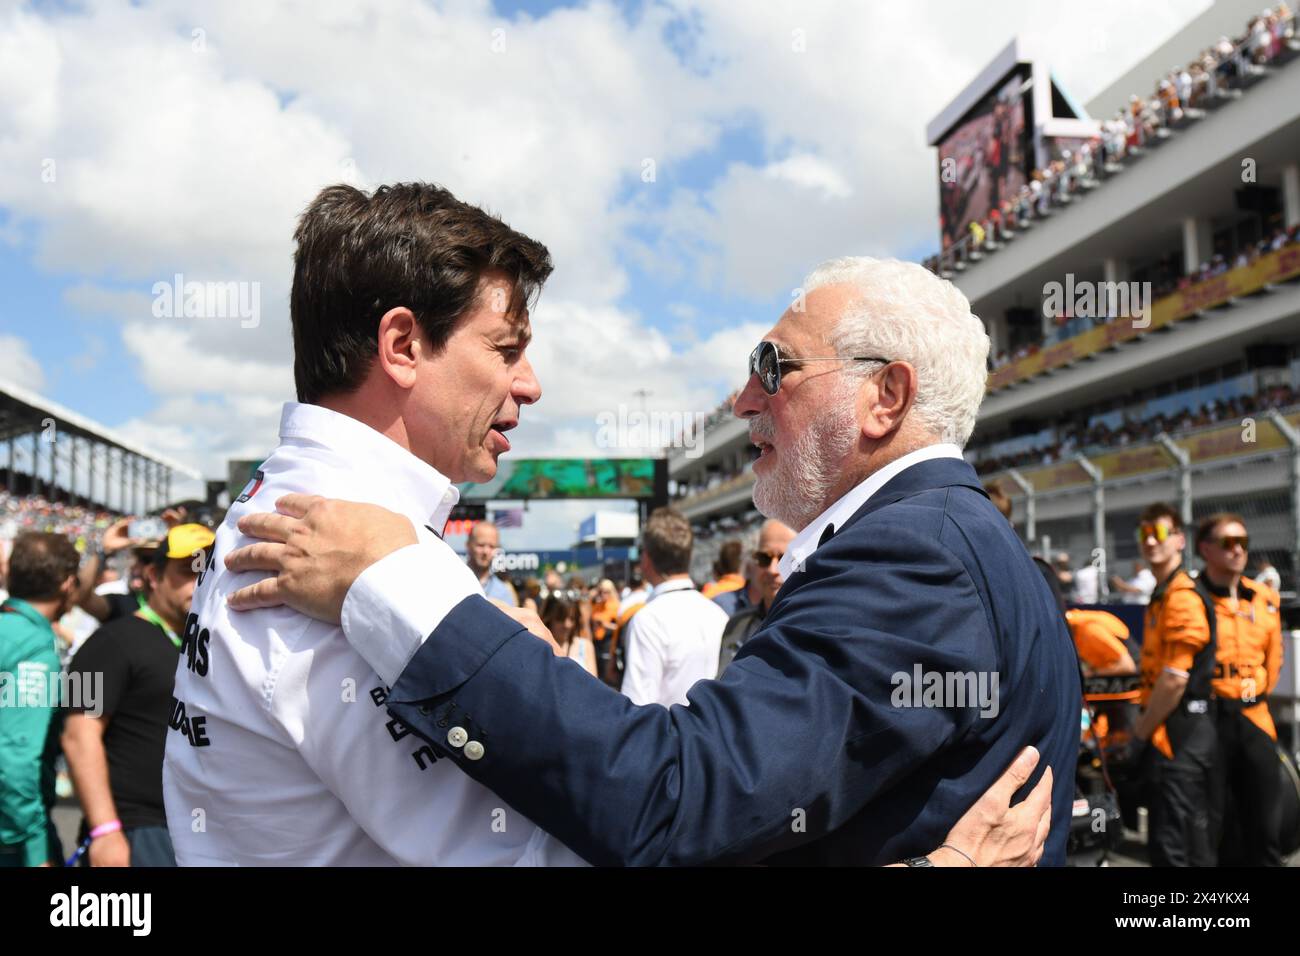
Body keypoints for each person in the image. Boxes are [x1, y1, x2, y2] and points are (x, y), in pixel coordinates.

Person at [226, 254, 1078, 866]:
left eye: (773, 367)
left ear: (884, 397)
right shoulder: (942, 542)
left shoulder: (915, 555)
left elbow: (680, 803)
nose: (746, 397)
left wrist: (399, 591)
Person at [62, 523, 214, 867]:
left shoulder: (206, 646)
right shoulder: (108, 641)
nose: (200, 579)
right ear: (154, 576)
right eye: (186, 570)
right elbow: (77, 737)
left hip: (200, 830)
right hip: (137, 830)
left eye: (207, 568)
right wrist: (105, 830)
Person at [1194, 513, 1284, 866]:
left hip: (1254, 717)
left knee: (1265, 823)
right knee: (1216, 824)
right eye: (1227, 542)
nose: (1237, 550)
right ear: (1205, 549)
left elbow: (1273, 662)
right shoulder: (1191, 597)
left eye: (1242, 542)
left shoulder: (1264, 598)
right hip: (1209, 720)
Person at [1130, 503, 1217, 866]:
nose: (1151, 541)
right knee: (1180, 838)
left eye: (1160, 533)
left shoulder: (1181, 596)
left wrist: (1140, 732)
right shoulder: (1162, 593)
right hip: (1174, 731)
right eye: (1144, 534)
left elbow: (1174, 680)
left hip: (1179, 732)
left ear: (1180, 540)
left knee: (1173, 844)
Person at [0, 533, 80, 867]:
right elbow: (16, 755)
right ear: (67, 583)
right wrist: (35, 848)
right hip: (13, 838)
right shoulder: (33, 645)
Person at [619, 509, 728, 707]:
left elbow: (637, 706)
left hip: (670, 734)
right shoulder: (718, 614)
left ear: (646, 559)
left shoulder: (648, 620)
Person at [717, 519, 795, 675]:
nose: (772, 570)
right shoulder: (736, 625)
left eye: (784, 558)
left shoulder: (817, 623)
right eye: (764, 558)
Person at [540, 593, 597, 678]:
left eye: (572, 618)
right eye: (560, 619)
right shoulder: (540, 646)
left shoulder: (585, 646)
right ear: (549, 618)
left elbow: (594, 685)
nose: (567, 625)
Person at [466, 521, 517, 606]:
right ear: (468, 545)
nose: (486, 551)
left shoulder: (503, 593)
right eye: (481, 545)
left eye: (491, 546)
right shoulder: (453, 583)